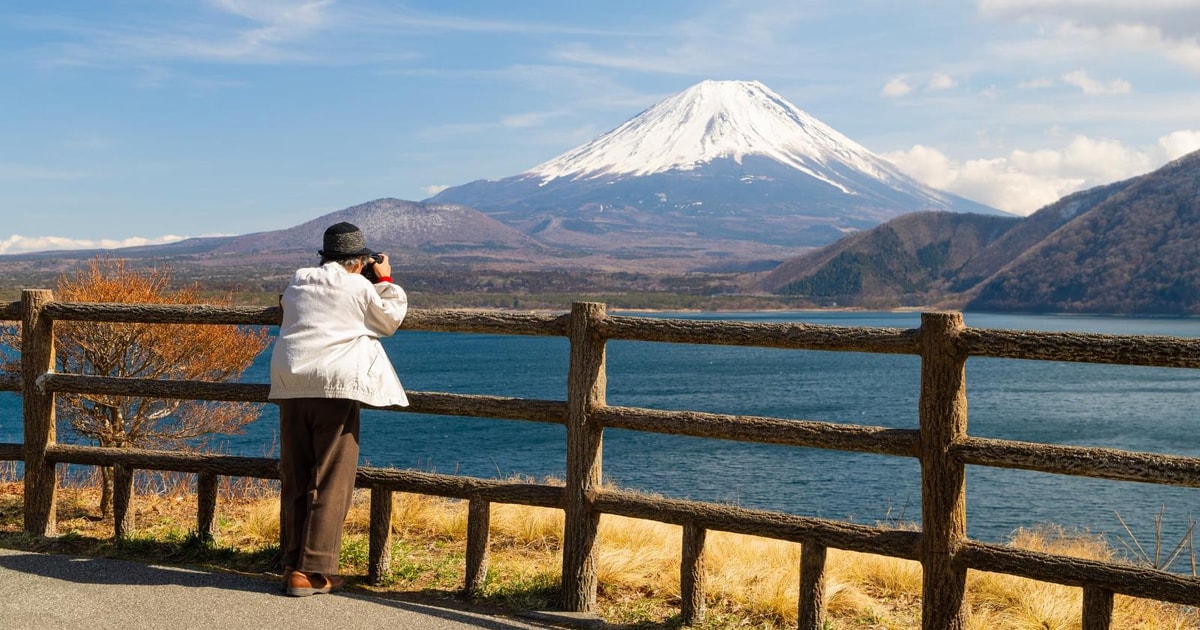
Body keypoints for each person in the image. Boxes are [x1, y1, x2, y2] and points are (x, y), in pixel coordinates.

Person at [268, 221, 409, 597]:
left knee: (297, 475)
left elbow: (285, 306)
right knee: (331, 479)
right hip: (334, 386)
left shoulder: (298, 280)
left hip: (291, 382)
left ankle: (291, 563)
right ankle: (313, 571)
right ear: (359, 261)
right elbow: (389, 320)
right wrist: (384, 278)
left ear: (325, 256)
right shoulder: (359, 285)